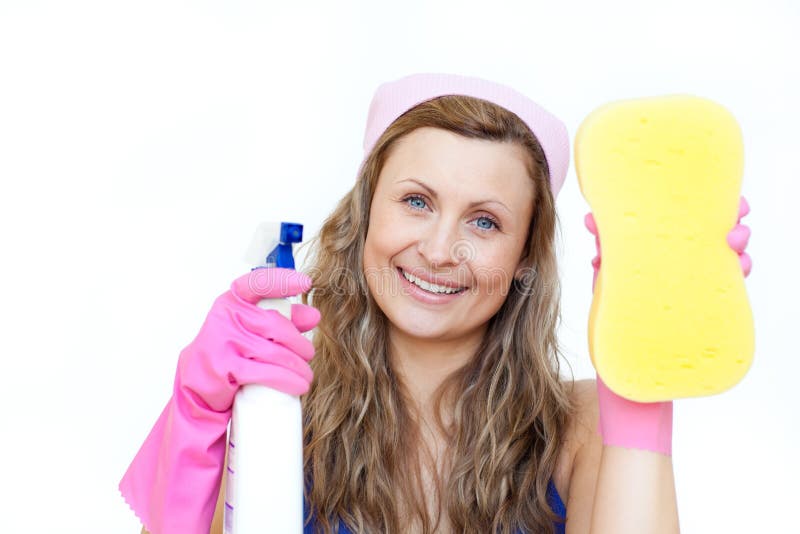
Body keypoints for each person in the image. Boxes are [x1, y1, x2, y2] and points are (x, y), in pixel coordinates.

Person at [122, 72, 752, 534]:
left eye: (484, 221)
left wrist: (642, 380)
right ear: (366, 216)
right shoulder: (278, 419)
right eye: (417, 202)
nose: (439, 250)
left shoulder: (578, 431)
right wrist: (199, 416)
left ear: (525, 258)